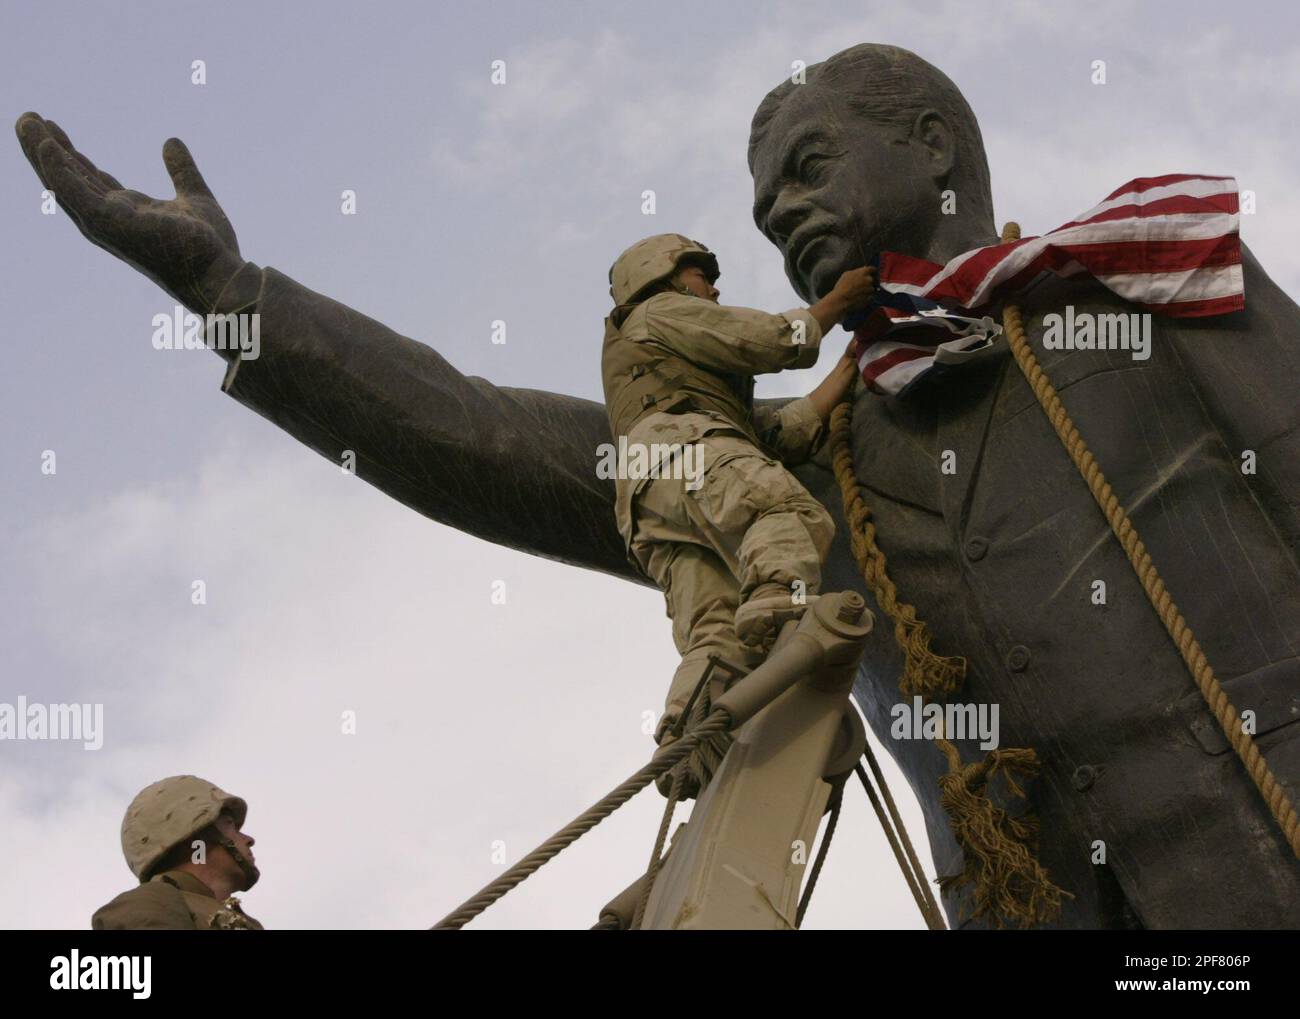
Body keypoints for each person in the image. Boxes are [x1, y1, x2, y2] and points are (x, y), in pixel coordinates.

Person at [602, 233, 874, 794]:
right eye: (702, 273)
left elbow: (773, 435)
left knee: (717, 629)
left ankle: (692, 737)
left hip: (650, 501)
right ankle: (777, 606)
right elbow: (769, 340)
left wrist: (846, 371)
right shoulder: (659, 312)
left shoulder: (662, 359)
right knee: (786, 510)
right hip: (686, 451)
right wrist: (837, 303)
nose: (714, 286)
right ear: (666, 276)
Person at [92, 775, 264, 930]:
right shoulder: (151, 903)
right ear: (197, 838)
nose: (248, 839)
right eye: (230, 825)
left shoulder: (228, 916)